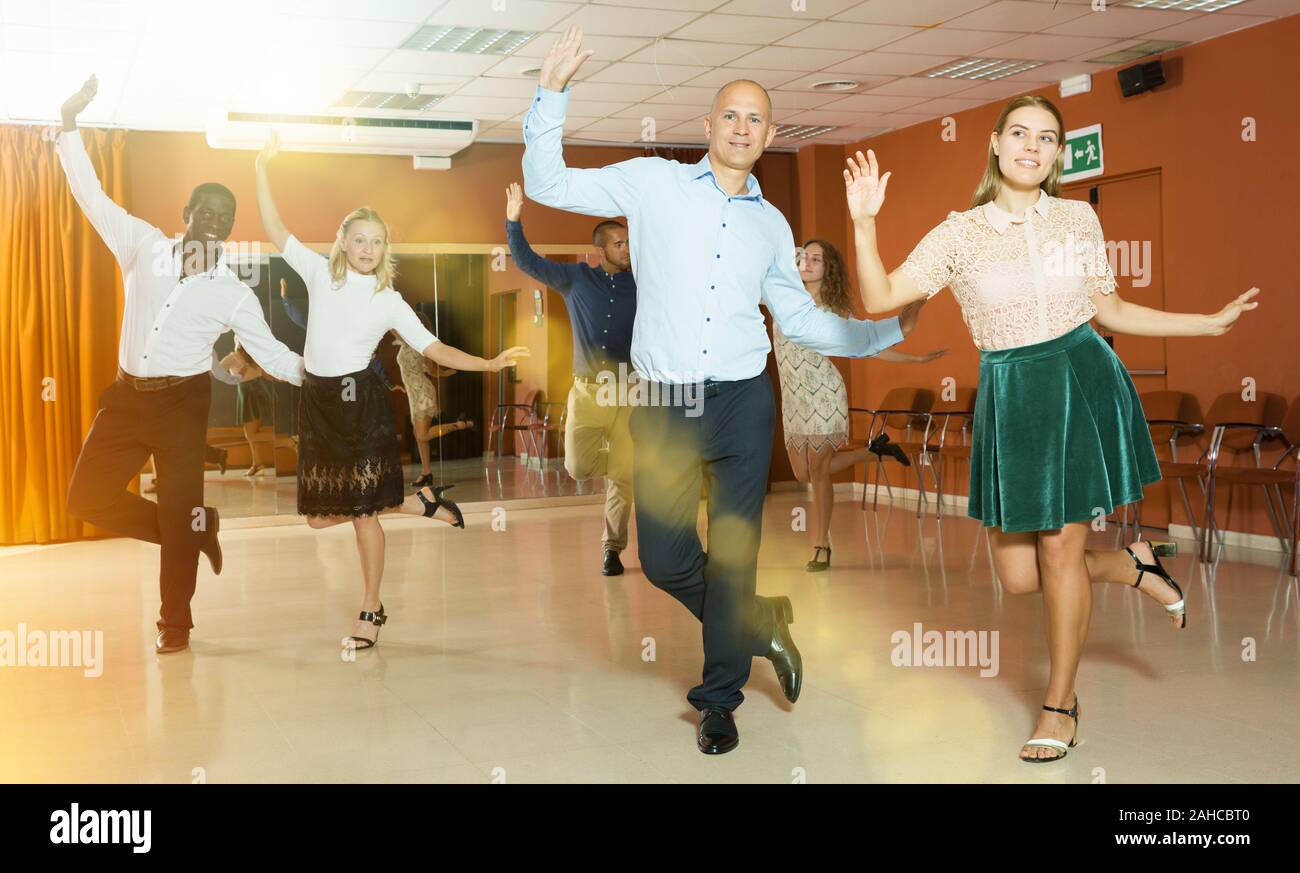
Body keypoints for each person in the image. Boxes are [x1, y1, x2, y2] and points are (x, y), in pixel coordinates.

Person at [523, 28, 925, 754]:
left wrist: (880, 333)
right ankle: (759, 620)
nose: (742, 128)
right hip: (667, 404)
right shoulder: (652, 182)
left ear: (770, 134)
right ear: (708, 126)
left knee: (733, 557)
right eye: (729, 115)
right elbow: (551, 185)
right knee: (668, 557)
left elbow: (800, 318)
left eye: (756, 119)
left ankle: (718, 699)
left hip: (742, 399)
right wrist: (551, 93)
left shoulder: (771, 225)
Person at [844, 94, 1260, 762]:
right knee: (1018, 573)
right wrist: (864, 225)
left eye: (1047, 138)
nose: (1031, 147)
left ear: (1058, 154)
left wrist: (1204, 322)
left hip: (1077, 380)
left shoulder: (1078, 219)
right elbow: (880, 297)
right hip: (1009, 394)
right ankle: (1131, 564)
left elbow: (1112, 309)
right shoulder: (959, 233)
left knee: (1060, 551)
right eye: (1019, 134)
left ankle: (1059, 704)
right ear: (994, 143)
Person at [56, 76, 305, 655]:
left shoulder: (233, 293)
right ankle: (195, 530)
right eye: (208, 210)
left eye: (227, 214)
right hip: (125, 397)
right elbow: (90, 195)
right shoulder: (141, 246)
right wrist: (69, 125)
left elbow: (270, 354)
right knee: (85, 500)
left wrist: (324, 371)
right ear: (188, 212)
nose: (216, 219)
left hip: (181, 404)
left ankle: (176, 622)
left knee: (178, 507)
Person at [255, 132, 527, 649]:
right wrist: (260, 167)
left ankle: (371, 609)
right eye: (359, 239)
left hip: (361, 404)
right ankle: (414, 503)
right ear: (342, 241)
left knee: (360, 513)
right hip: (317, 401)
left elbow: (435, 348)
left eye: (377, 242)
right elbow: (274, 228)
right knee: (316, 518)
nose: (368, 249)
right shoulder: (317, 272)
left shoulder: (389, 299)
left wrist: (489, 363)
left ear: (385, 249)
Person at [778, 239, 946, 571]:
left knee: (820, 471)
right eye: (803, 257)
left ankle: (821, 545)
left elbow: (867, 345)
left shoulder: (831, 312)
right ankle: (874, 451)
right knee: (803, 472)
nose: (808, 263)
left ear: (829, 270)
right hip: (792, 399)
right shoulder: (782, 298)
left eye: (817, 259)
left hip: (823, 396)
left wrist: (914, 360)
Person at [505, 181, 636, 576]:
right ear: (601, 249)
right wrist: (513, 220)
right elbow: (527, 261)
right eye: (619, 244)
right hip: (589, 392)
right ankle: (626, 464)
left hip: (629, 391)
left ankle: (612, 549)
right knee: (578, 467)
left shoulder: (645, 281)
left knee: (623, 480)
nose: (627, 249)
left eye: (629, 243)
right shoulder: (575, 279)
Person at [391, 312, 474, 488]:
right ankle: (426, 473)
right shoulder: (407, 341)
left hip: (423, 393)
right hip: (413, 395)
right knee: (419, 436)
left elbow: (432, 371)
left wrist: (447, 371)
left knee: (421, 434)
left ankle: (459, 425)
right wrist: (445, 372)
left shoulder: (420, 345)